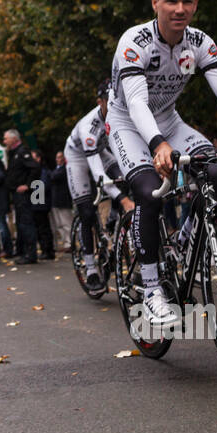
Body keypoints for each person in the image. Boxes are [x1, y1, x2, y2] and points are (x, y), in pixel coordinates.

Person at [105, 0, 217, 325]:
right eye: (170, 1)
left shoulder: (199, 42)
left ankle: (185, 243)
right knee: (150, 190)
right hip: (128, 125)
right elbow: (135, 103)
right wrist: (157, 144)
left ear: (195, 4)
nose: (178, 9)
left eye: (186, 2)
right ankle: (151, 289)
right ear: (155, 3)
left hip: (168, 121)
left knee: (216, 172)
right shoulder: (134, 42)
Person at [65, 83, 135, 290]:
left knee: (127, 181)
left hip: (101, 152)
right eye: (109, 102)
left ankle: (114, 222)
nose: (114, 105)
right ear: (100, 103)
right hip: (78, 157)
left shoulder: (122, 116)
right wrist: (122, 200)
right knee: (87, 211)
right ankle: (90, 268)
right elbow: (99, 176)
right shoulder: (89, 127)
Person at [3, 129, 41, 264]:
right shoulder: (14, 153)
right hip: (17, 195)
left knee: (26, 223)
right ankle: (25, 252)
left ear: (14, 139)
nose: (4, 141)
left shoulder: (22, 152)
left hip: (23, 195)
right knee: (21, 224)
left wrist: (28, 185)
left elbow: (35, 168)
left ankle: (31, 254)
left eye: (6, 138)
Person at [30, 148, 56, 260]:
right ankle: (45, 249)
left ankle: (48, 250)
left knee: (43, 227)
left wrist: (31, 188)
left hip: (40, 202)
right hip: (38, 202)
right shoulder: (39, 170)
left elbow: (43, 186)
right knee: (40, 227)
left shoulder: (42, 171)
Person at [50, 151, 73, 252]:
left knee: (66, 223)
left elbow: (54, 176)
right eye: (57, 157)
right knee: (59, 224)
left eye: (59, 157)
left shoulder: (65, 169)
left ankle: (70, 243)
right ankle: (64, 242)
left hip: (64, 200)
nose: (57, 159)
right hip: (56, 200)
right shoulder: (57, 169)